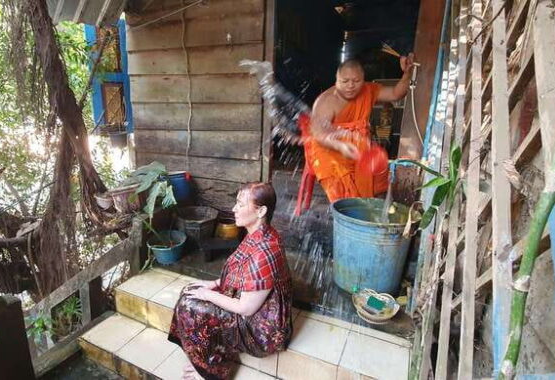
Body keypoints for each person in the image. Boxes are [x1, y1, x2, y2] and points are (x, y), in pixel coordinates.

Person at [168, 182, 292, 380]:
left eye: (241, 204)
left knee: (190, 305)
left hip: (261, 329)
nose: (234, 209)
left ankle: (211, 373)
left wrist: (208, 294)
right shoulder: (260, 233)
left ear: (261, 211)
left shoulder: (265, 250)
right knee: (190, 291)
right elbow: (243, 275)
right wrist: (214, 284)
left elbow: (246, 309)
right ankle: (203, 360)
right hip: (251, 306)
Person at [304, 54, 415, 203]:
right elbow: (318, 134)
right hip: (330, 151)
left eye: (356, 81)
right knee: (344, 194)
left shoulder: (368, 90)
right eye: (345, 81)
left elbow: (397, 94)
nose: (351, 85)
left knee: (379, 168)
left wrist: (407, 73)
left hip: (357, 148)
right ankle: (348, 213)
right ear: (337, 79)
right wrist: (341, 145)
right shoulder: (326, 101)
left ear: (363, 80)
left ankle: (370, 206)